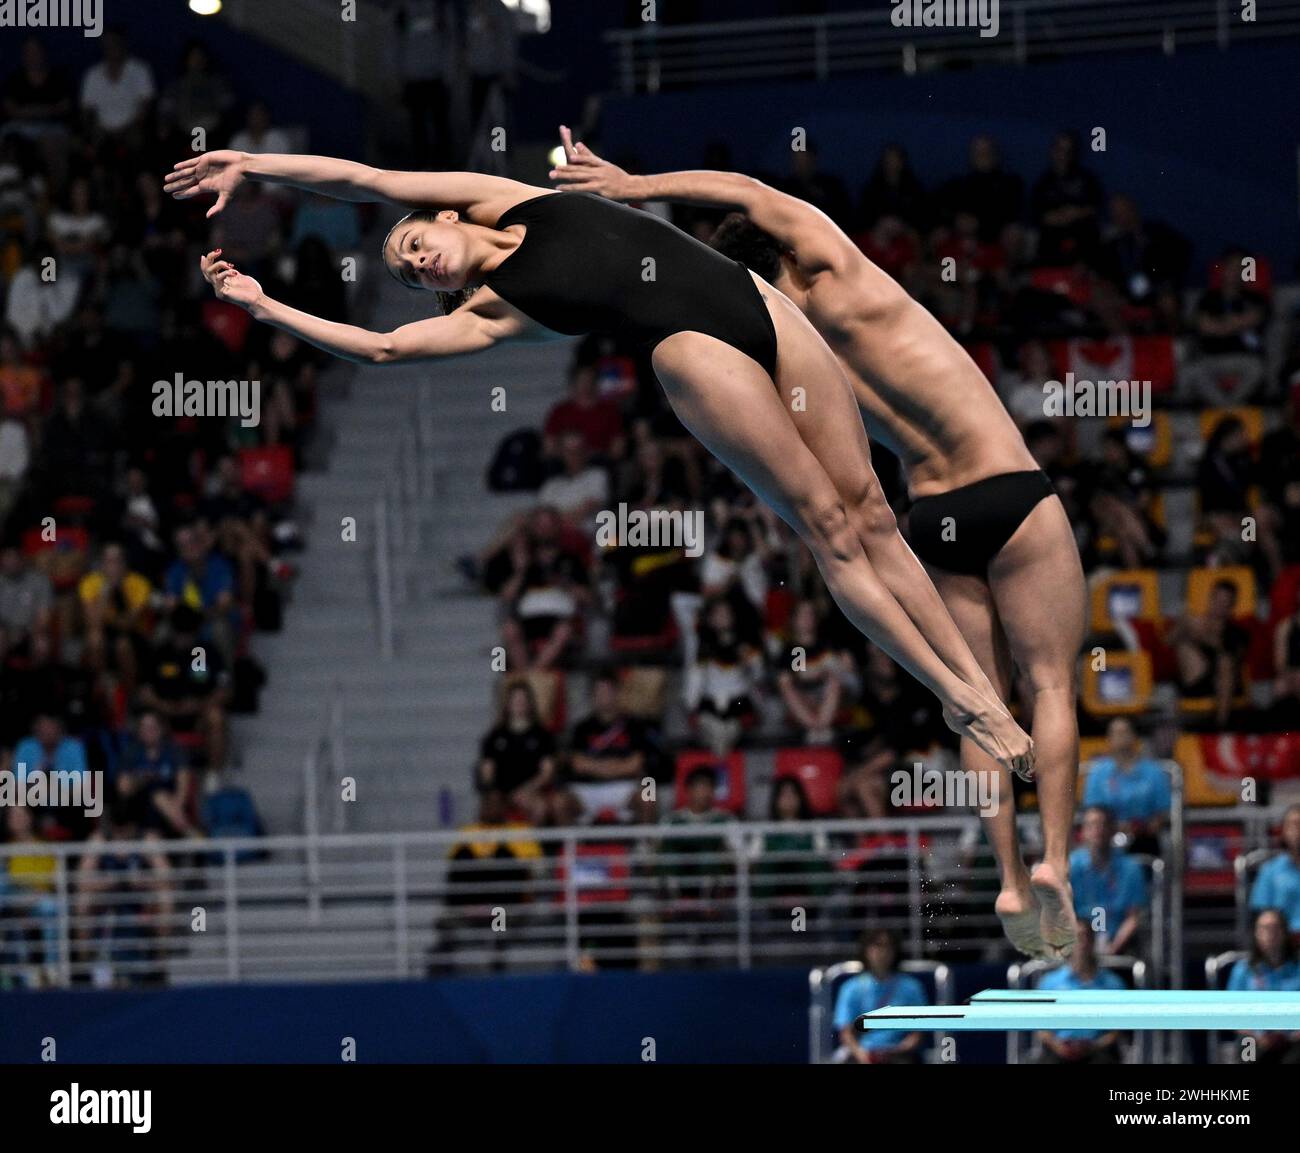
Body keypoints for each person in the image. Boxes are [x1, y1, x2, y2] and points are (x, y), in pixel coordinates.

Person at [166, 147, 1034, 783]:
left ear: (444, 217)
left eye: (413, 240)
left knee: (876, 511)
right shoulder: (500, 313)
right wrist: (266, 305)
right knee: (832, 526)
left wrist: (254, 163)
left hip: (759, 306)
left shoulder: (506, 198)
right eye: (403, 269)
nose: (414, 256)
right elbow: (381, 349)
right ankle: (960, 693)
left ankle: (970, 674)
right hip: (695, 355)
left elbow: (364, 180)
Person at [549, 133, 1081, 957]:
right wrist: (635, 183)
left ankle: (1007, 873)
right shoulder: (838, 268)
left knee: (978, 695)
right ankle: (1054, 862)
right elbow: (740, 185)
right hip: (1009, 487)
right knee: (1050, 686)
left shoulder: (793, 347)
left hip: (931, 518)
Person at [1034, 919, 1126, 1064]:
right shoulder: (1049, 982)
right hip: (1059, 1051)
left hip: (1097, 1050)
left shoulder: (1112, 983)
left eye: (1085, 937)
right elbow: (1041, 1029)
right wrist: (1058, 1047)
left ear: (1093, 942)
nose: (1081, 943)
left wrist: (1094, 1046)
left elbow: (1117, 1029)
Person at [831, 929, 926, 1064]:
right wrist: (862, 1055)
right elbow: (846, 1033)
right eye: (877, 946)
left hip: (900, 1056)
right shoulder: (850, 988)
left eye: (887, 946)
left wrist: (897, 1051)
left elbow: (917, 1033)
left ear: (895, 951)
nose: (882, 952)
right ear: (866, 950)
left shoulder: (911, 987)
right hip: (862, 1054)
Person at [1081, 718, 1172, 857]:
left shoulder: (1153, 772)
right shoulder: (1098, 773)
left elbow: (1161, 812)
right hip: (1107, 837)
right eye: (1115, 733)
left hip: (1143, 838)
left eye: (1124, 732)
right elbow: (1093, 811)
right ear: (1108, 739)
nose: (1120, 737)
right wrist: (1111, 828)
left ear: (1134, 736)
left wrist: (1142, 828)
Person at [1069, 806, 1148, 956]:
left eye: (1102, 824)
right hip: (1077, 945)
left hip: (1120, 946)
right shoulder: (1071, 867)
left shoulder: (1131, 869)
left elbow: (1133, 917)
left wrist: (1112, 949)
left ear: (1113, 830)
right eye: (1091, 825)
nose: (1097, 830)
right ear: (1083, 832)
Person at [1227, 908, 1300, 1064]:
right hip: (1255, 1037)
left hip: (1294, 1039)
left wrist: (1291, 1034)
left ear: (1285, 932)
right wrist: (1256, 1036)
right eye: (1264, 928)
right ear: (1256, 933)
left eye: (1275, 928)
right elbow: (1232, 1014)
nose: (1270, 933)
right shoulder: (1243, 970)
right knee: (1247, 1047)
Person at [1249, 805, 1300, 934]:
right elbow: (1262, 914)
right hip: (1285, 945)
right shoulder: (1270, 871)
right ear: (1283, 832)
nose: (1297, 831)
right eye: (1293, 825)